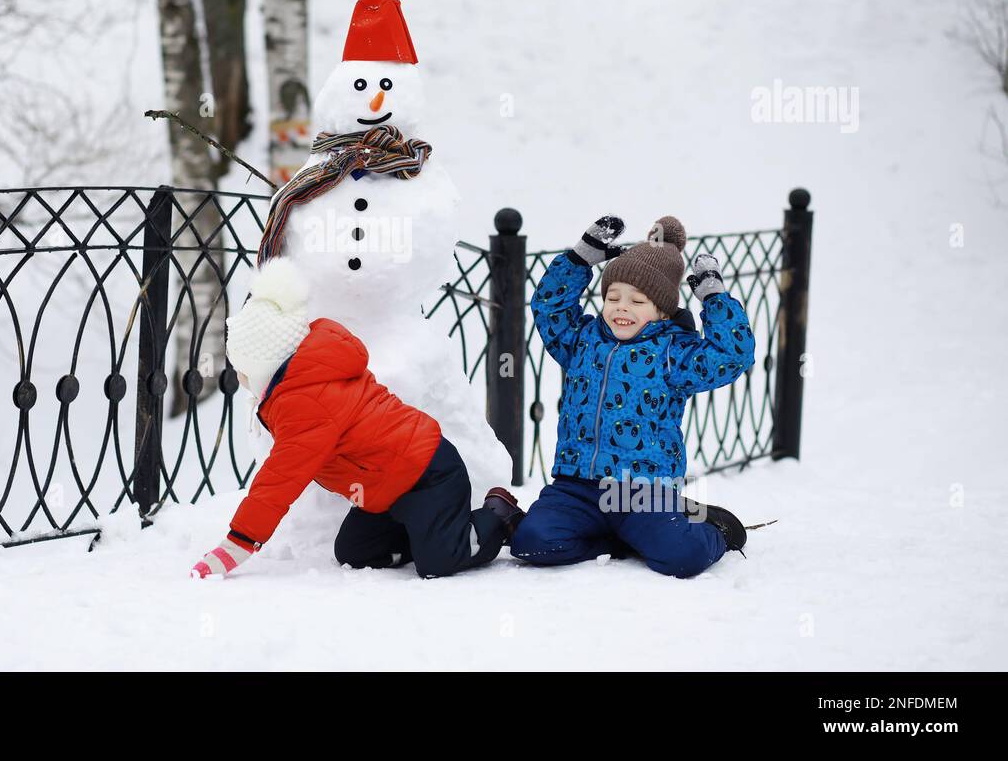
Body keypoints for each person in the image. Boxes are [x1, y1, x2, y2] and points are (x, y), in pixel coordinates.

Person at [191, 258, 524, 580]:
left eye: (242, 369)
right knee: (355, 552)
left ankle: (495, 516)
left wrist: (237, 544)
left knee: (438, 563)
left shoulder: (306, 401)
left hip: (428, 476)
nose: (240, 378)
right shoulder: (303, 383)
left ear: (264, 365)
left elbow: (279, 480)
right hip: (385, 493)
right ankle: (426, 536)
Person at [510, 214, 756, 577]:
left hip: (642, 492)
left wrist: (715, 298)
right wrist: (580, 259)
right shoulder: (583, 341)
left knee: (682, 557)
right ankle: (619, 541)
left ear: (661, 311)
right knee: (531, 542)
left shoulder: (676, 354)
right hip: (577, 487)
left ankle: (709, 529)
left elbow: (732, 356)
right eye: (613, 297)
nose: (622, 307)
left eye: (637, 301)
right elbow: (549, 309)